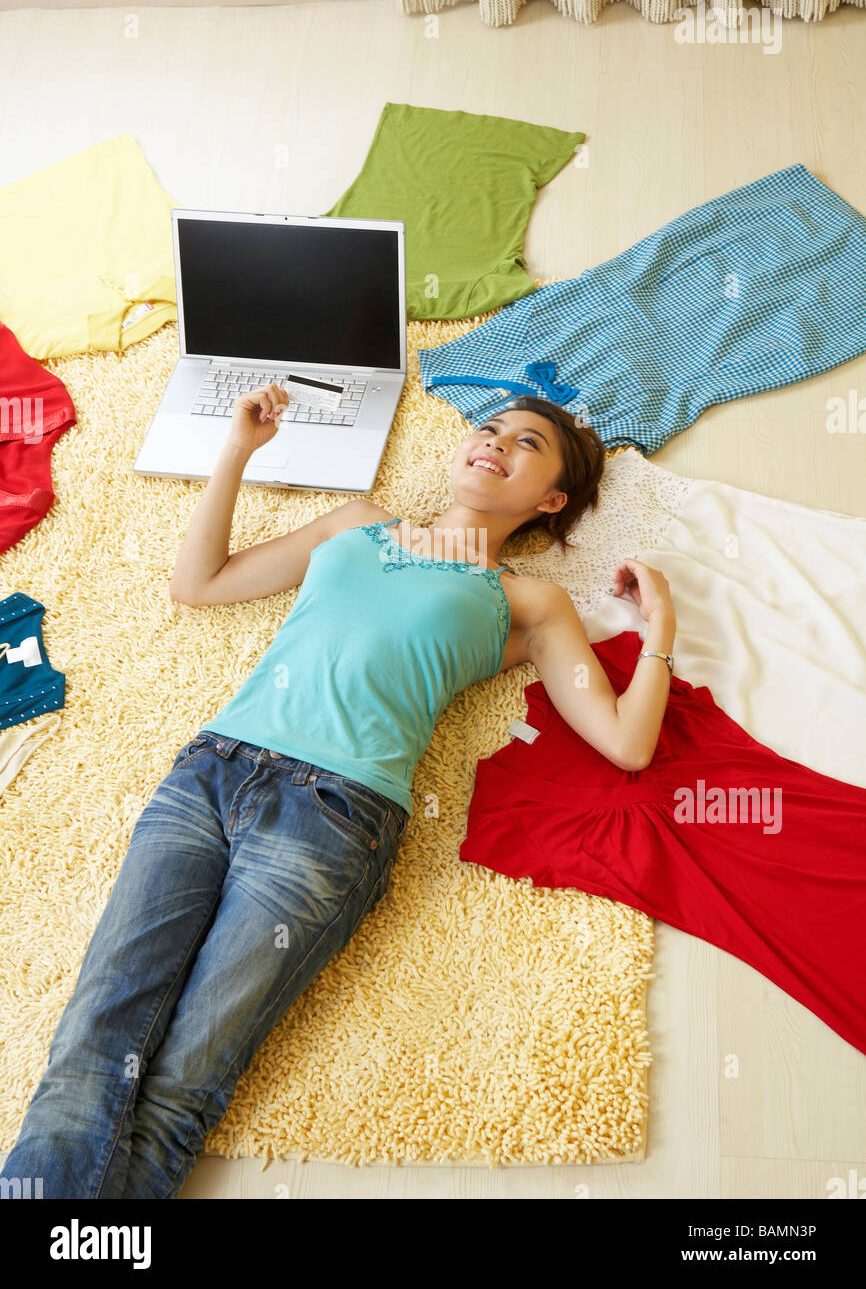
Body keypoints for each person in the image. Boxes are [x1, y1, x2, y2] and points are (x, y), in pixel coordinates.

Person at [1, 384, 676, 1199]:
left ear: (551, 500)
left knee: (184, 1076)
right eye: (489, 427)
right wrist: (237, 452)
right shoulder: (355, 524)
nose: (494, 442)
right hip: (210, 772)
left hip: (333, 818)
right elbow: (200, 582)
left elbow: (625, 742)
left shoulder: (528, 602)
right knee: (92, 1036)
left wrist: (661, 626)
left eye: (527, 444)